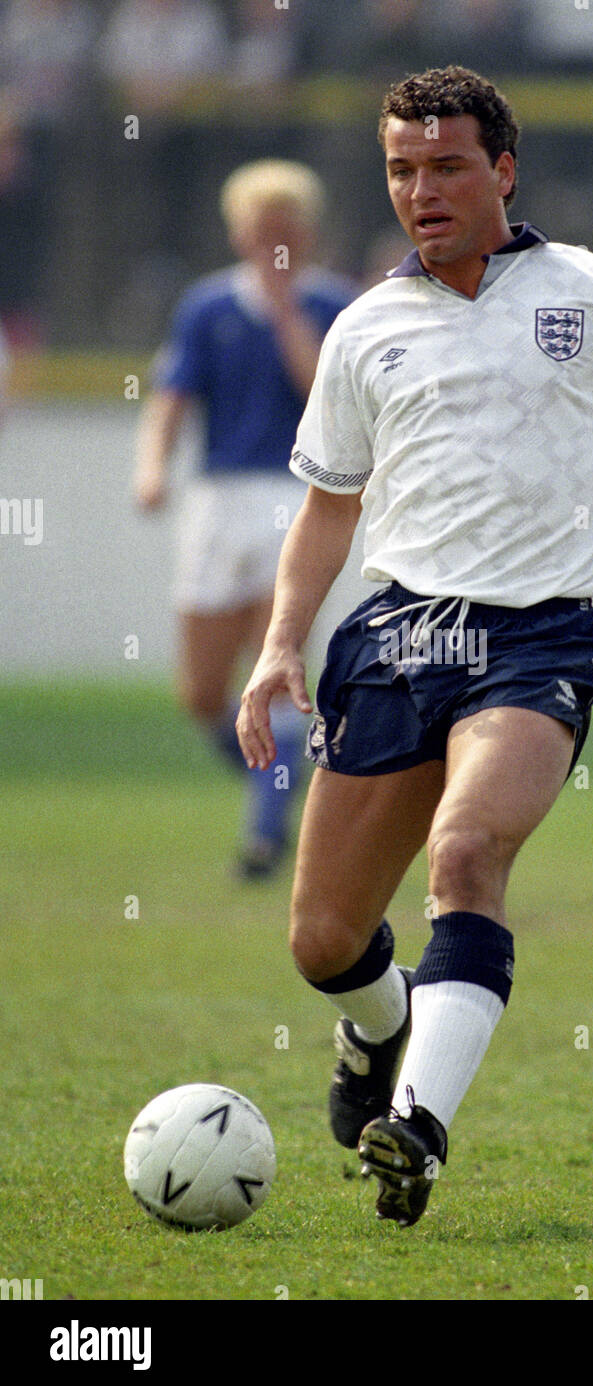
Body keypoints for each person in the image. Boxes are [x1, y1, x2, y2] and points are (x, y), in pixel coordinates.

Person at [237, 67, 593, 1224]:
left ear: (503, 171)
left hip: (543, 636)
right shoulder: (364, 328)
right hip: (391, 638)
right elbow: (330, 504)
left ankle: (414, 1129)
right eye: (399, 170)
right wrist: (282, 643)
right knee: (323, 937)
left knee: (468, 852)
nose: (419, 190)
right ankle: (374, 1029)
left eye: (445, 167)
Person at [134, 159, 355, 877]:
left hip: (300, 498)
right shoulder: (206, 306)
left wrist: (288, 309)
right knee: (201, 693)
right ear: (239, 233)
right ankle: (278, 783)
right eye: (262, 231)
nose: (273, 244)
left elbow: (323, 394)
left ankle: (263, 834)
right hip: (219, 501)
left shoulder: (331, 304)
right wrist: (151, 466)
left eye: (286, 230)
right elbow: (173, 397)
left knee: (278, 658)